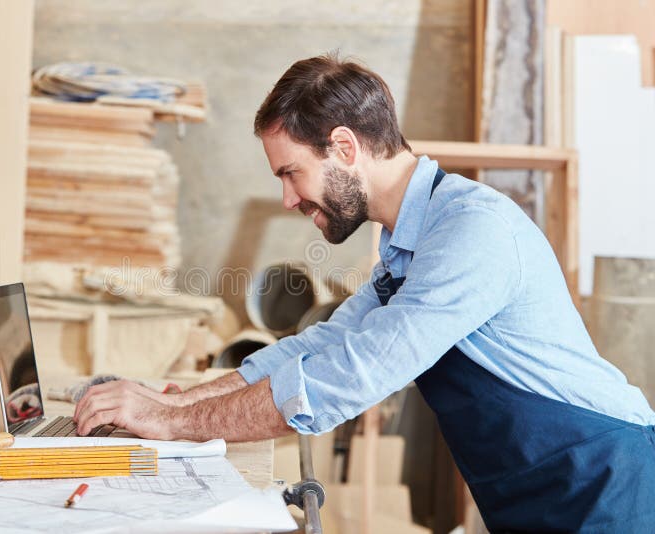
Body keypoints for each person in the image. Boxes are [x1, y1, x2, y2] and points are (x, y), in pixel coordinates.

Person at [73, 54, 655, 531]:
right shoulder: (409, 241)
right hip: (543, 495)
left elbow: (347, 376)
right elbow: (323, 344)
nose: (288, 199)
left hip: (605, 487)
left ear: (345, 148)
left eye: (290, 173)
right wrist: (172, 404)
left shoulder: (472, 233)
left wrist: (176, 425)